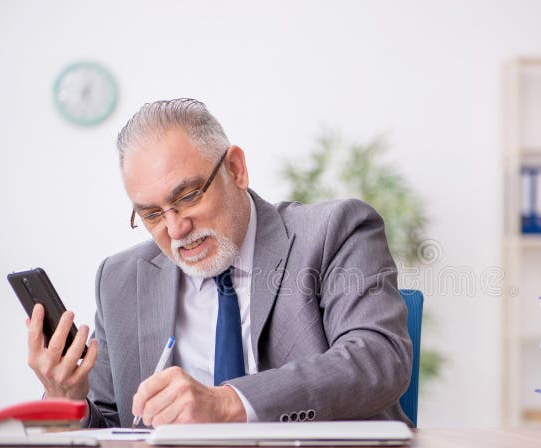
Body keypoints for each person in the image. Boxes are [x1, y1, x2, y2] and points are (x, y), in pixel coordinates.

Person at [26, 98, 412, 428]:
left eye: (189, 196)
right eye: (152, 215)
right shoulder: (121, 279)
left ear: (236, 169)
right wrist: (67, 402)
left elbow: (377, 357)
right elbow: (114, 429)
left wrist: (228, 402)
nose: (176, 230)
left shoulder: (333, 232)